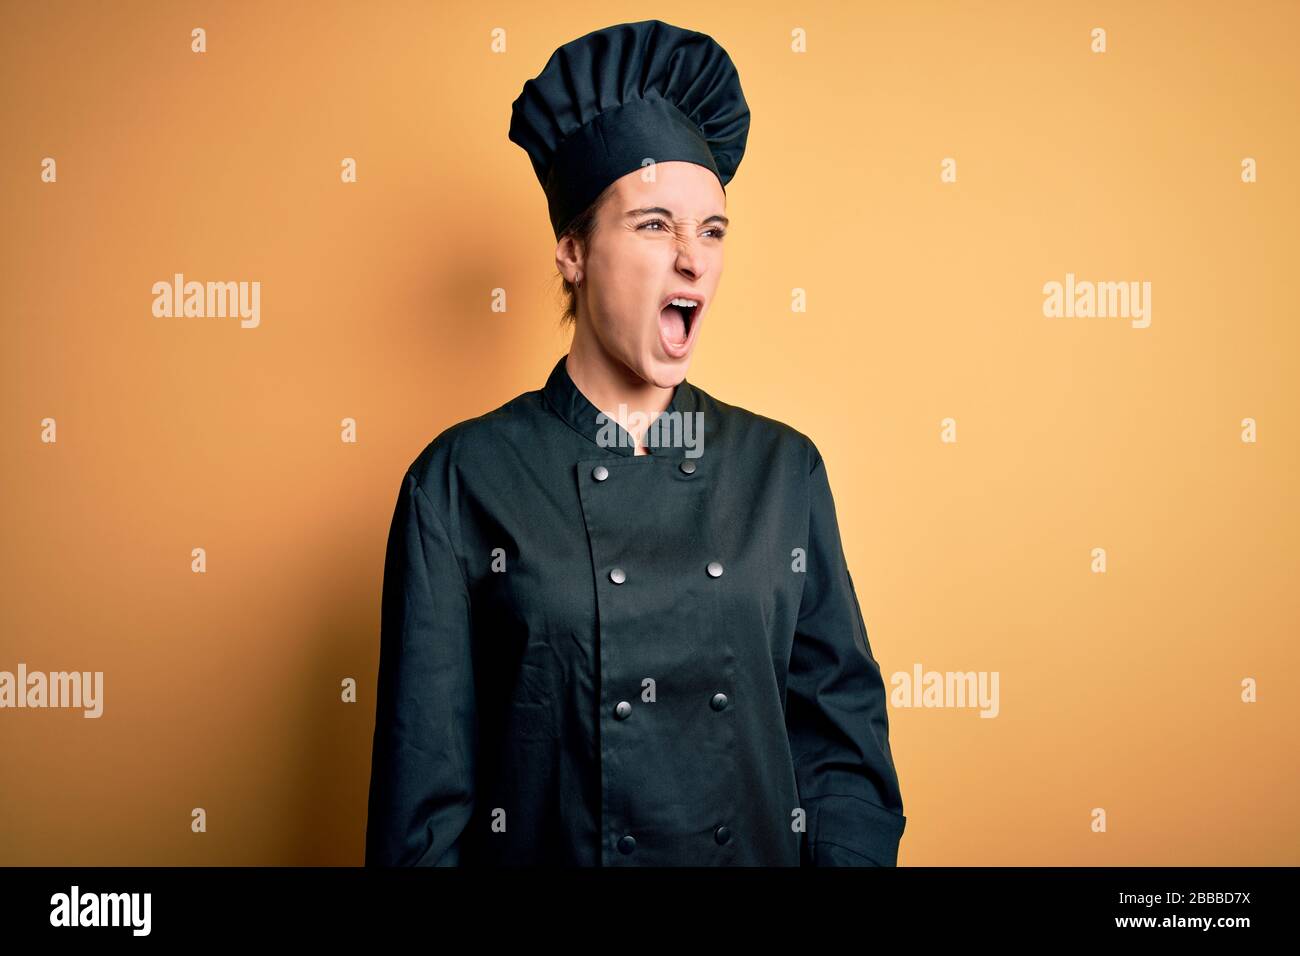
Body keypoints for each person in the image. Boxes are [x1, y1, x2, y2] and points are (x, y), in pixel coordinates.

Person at [365, 18, 906, 867]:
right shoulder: (460, 481)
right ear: (573, 251)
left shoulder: (783, 471)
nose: (693, 259)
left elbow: (843, 759)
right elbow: (422, 817)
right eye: (655, 225)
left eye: (713, 230)